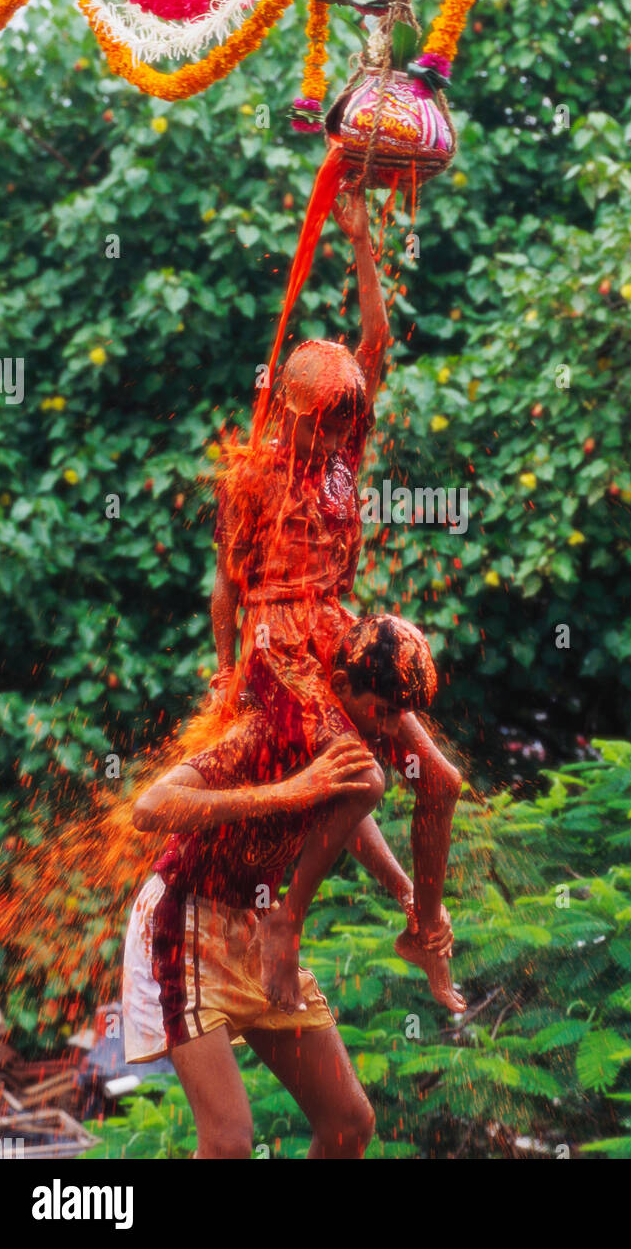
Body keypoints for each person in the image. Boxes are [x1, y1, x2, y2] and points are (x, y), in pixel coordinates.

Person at [207, 185, 465, 1012]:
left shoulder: (345, 449)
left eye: (344, 420)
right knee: (359, 782)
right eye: (323, 421)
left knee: (441, 780)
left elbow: (378, 339)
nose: (334, 435)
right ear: (290, 410)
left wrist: (359, 239)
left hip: (340, 632)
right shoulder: (249, 476)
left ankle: (424, 928)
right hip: (279, 641)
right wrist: (223, 675)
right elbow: (223, 592)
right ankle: (285, 922)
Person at [124, 616, 454, 1160]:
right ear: (342, 686)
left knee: (349, 1123)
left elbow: (342, 808)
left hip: (255, 925)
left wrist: (404, 890)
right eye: (384, 711)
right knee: (229, 1143)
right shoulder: (270, 728)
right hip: (183, 922)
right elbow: (149, 808)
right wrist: (290, 790)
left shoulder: (342, 742)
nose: (393, 729)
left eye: (403, 715)